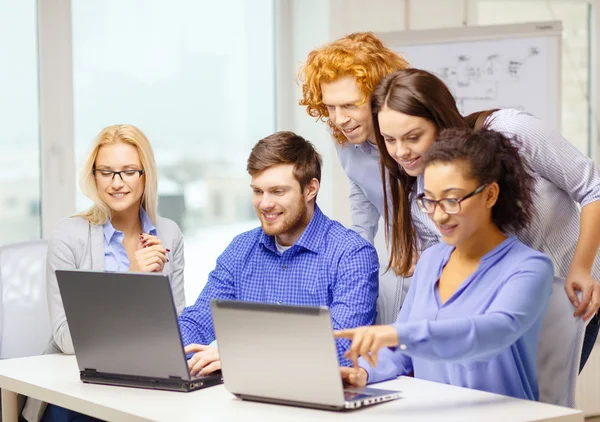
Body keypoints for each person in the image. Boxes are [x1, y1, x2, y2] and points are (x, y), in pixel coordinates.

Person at [370, 68, 600, 371]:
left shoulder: (512, 131)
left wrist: (581, 267)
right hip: (502, 308)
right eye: (389, 139)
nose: (401, 152)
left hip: (570, 294)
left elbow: (592, 188)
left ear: (440, 120)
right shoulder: (422, 197)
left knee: (544, 403)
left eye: (413, 137)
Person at [336, 128, 554, 401]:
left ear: (490, 195)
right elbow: (403, 352)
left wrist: (395, 333)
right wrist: (364, 373)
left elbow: (490, 333)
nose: (438, 215)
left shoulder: (530, 268)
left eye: (451, 200)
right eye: (429, 200)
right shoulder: (431, 260)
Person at [178, 131, 379, 376]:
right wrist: (167, 347)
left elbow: (343, 347)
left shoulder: (351, 254)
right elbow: (199, 320)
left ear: (310, 190)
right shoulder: (241, 250)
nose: (264, 204)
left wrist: (242, 355)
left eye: (278, 192)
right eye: (258, 191)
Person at [22, 124, 186, 422]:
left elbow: (177, 330)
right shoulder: (69, 235)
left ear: (145, 175)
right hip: (77, 388)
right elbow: (66, 339)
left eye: (128, 171)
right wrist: (134, 280)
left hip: (146, 383)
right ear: (94, 176)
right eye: (106, 172)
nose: (116, 183)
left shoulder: (169, 234)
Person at [298, 32, 409, 324]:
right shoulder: (344, 136)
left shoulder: (411, 140)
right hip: (402, 260)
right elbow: (360, 188)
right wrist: (357, 253)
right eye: (330, 106)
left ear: (380, 96)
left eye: (350, 105)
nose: (339, 119)